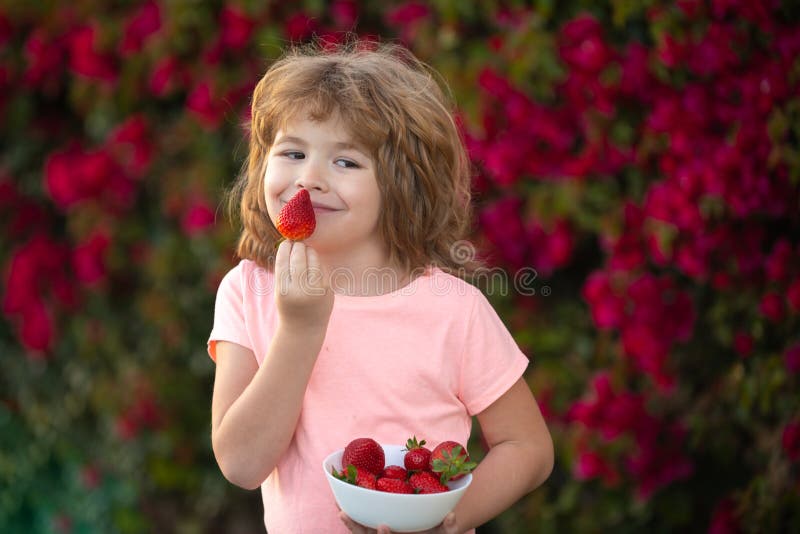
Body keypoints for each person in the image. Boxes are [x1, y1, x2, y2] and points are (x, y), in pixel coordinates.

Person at [207, 39, 554, 534]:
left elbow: (529, 447)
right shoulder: (249, 292)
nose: (309, 178)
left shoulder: (453, 310)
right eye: (293, 151)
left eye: (345, 162)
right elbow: (241, 464)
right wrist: (300, 331)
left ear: (401, 184)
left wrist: (451, 519)